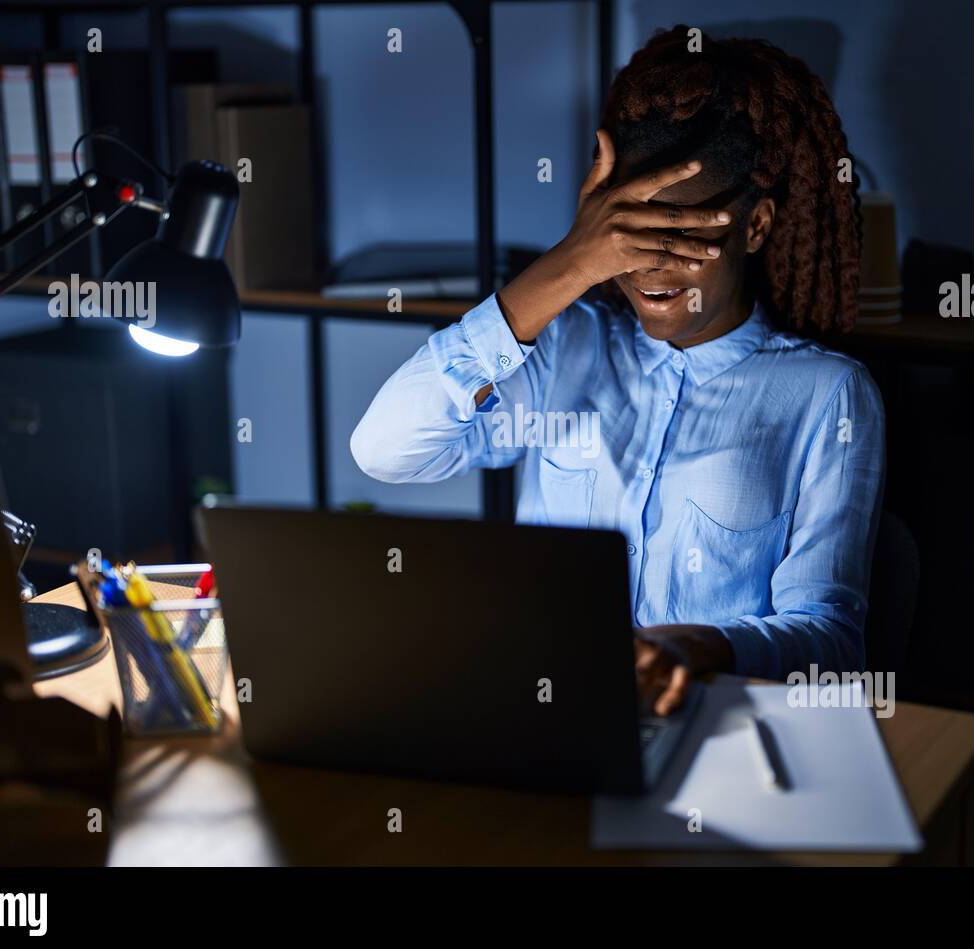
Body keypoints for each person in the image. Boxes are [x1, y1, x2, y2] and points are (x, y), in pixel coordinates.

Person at [351, 26, 884, 715]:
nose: (651, 267)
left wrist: (696, 648)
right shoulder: (567, 348)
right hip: (542, 713)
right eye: (627, 236)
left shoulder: (827, 395)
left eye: (685, 236)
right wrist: (569, 264)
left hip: (709, 726)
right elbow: (384, 452)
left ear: (753, 229)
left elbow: (831, 644)